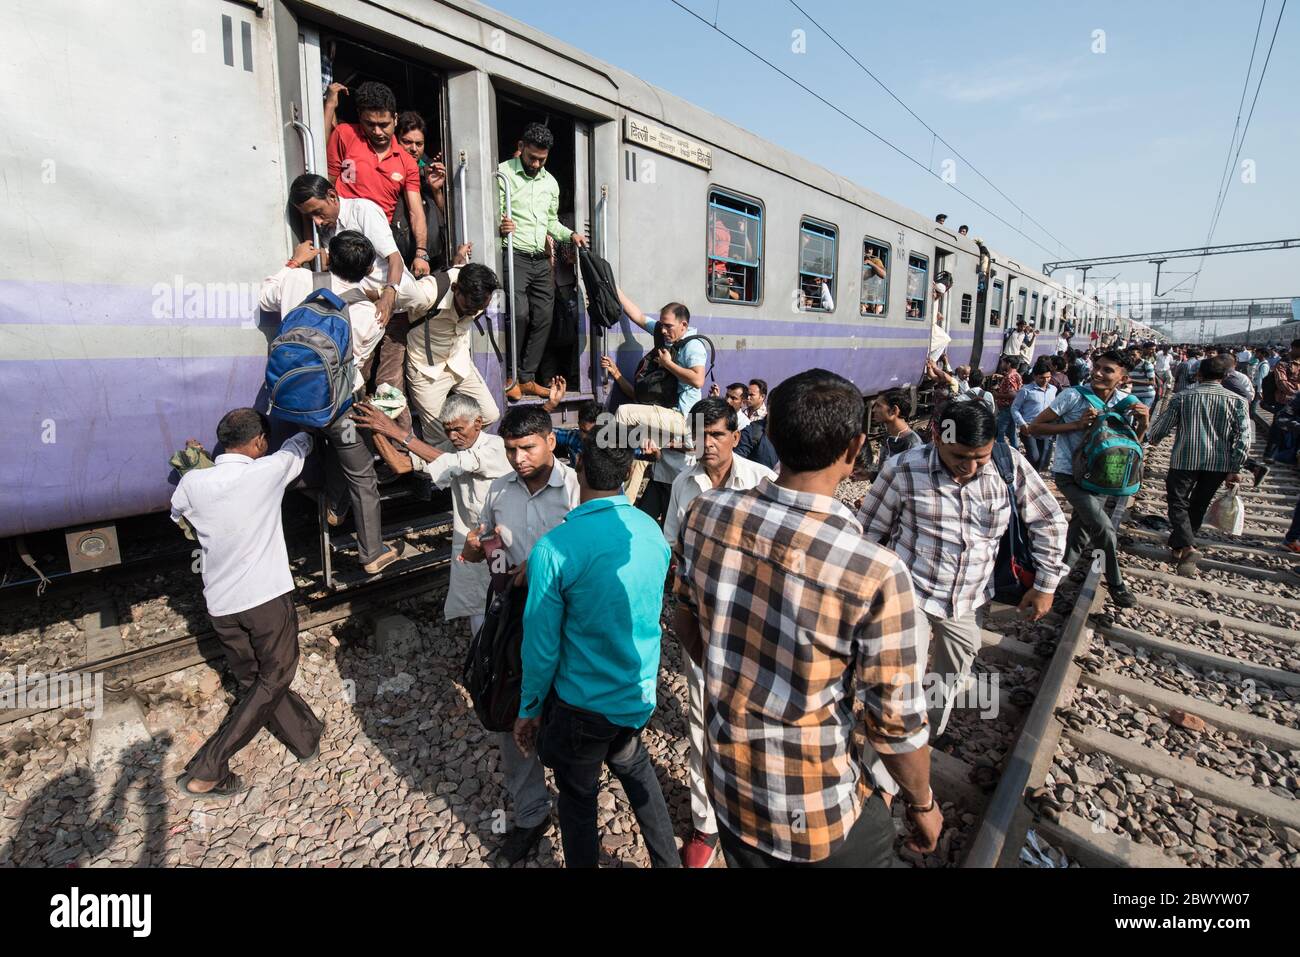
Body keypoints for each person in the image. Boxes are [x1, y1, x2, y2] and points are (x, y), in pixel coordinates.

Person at [674, 369, 941, 867]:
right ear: (857, 447)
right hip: (817, 817)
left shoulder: (704, 515)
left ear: (769, 435)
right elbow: (895, 725)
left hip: (730, 793)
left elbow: (684, 619)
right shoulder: (877, 572)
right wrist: (923, 803)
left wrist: (736, 677)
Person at [513, 437, 679, 869]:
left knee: (579, 796)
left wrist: (529, 707)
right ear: (628, 473)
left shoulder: (554, 548)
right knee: (634, 764)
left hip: (582, 705)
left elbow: (542, 645)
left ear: (579, 465)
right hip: (636, 693)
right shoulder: (650, 530)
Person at [859, 401, 1066, 736]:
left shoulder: (1008, 464)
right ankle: (888, 757)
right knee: (899, 682)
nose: (970, 466)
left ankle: (928, 736)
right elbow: (867, 532)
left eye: (979, 457)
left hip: (970, 601)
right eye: (960, 457)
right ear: (939, 439)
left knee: (949, 680)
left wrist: (1046, 585)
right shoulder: (903, 470)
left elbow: (1049, 521)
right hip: (911, 597)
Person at [170, 410, 323, 798]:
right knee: (276, 677)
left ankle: (305, 737)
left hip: (221, 603)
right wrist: (308, 426)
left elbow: (179, 515)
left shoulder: (191, 483)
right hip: (265, 599)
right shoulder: (267, 471)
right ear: (258, 442)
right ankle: (210, 767)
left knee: (255, 680)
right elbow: (299, 446)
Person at [459, 406, 581, 865]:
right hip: (513, 619)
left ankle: (576, 800)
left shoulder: (574, 488)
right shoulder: (498, 490)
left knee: (565, 709)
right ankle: (531, 813)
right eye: (510, 449)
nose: (518, 457)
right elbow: (486, 547)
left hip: (568, 617)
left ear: (550, 441)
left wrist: (544, 568)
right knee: (512, 709)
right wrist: (476, 548)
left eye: (527, 446)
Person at [660, 397, 775, 867]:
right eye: (700, 435)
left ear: (734, 436)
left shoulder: (762, 482)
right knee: (701, 719)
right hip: (705, 622)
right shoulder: (683, 485)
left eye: (716, 435)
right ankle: (706, 823)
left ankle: (757, 810)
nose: (706, 445)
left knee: (759, 721)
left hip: (757, 626)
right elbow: (671, 543)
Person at [258, 230, 398, 574]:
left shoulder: (296, 279)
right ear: (367, 271)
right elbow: (360, 357)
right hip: (338, 410)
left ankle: (334, 506)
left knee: (330, 445)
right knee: (361, 471)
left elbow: (265, 299)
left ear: (329, 257)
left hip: (291, 401)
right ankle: (372, 552)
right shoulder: (369, 310)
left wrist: (293, 261)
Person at [351, 394, 509, 627]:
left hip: (502, 545)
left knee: (509, 606)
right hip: (472, 546)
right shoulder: (449, 448)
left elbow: (453, 462)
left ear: (477, 423)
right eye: (448, 431)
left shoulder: (495, 447)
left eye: (458, 429)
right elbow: (401, 464)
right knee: (478, 612)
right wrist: (377, 428)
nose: (453, 436)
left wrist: (395, 430)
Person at [1027, 350, 1150, 608]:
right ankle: (1116, 583)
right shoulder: (1073, 396)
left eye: (1108, 370)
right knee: (1104, 529)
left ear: (1122, 377)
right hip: (1069, 474)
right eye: (1097, 367)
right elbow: (1035, 427)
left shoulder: (1126, 401)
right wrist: (1076, 425)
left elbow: (1131, 444)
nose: (1098, 373)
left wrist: (1143, 424)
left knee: (1079, 536)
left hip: (1101, 477)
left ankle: (1053, 584)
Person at [498, 123, 589, 399]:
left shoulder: (551, 183)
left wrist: (570, 234)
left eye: (542, 159)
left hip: (540, 259)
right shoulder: (502, 173)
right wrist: (500, 224)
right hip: (514, 253)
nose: (536, 163)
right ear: (521, 147)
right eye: (531, 158)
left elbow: (551, 222)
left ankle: (527, 377)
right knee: (520, 313)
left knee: (545, 318)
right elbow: (489, 210)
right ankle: (511, 376)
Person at [1146, 355, 1251, 573]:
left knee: (1178, 502)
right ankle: (1183, 545)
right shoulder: (1238, 401)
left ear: (1199, 374)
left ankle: (1186, 545)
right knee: (1199, 504)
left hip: (1184, 459)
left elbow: (1160, 429)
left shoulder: (1182, 397)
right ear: (1225, 376)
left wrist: (1151, 437)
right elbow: (1243, 438)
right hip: (1219, 464)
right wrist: (1236, 468)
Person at [602, 288, 708, 502]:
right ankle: (624, 503)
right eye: (662, 325)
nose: (664, 331)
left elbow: (698, 380)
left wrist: (668, 364)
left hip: (683, 419)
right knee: (641, 456)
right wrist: (614, 287)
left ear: (683, 325)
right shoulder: (665, 336)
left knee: (623, 412)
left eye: (669, 326)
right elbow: (639, 317)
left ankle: (609, 463)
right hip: (666, 416)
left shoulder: (693, 346)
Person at [326, 81, 428, 280]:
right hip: (340, 237)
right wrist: (330, 105)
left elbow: (416, 212)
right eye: (370, 124)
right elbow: (326, 185)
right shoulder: (345, 134)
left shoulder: (407, 162)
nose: (378, 131)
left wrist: (421, 253)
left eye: (384, 125)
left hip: (377, 242)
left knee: (408, 296)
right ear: (360, 118)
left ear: (395, 119)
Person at [289, 173, 414, 329]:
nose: (317, 221)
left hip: (395, 308)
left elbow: (394, 258)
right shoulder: (324, 228)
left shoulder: (362, 211)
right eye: (309, 217)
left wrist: (389, 293)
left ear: (332, 196)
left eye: (318, 212)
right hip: (363, 312)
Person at [403, 261, 502, 447]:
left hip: (459, 361)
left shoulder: (476, 289)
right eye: (469, 306)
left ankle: (463, 460)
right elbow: (392, 296)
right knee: (438, 436)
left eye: (480, 306)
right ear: (455, 289)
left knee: (490, 415)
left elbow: (459, 267)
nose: (474, 311)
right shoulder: (426, 293)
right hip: (426, 369)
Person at [393, 112, 450, 271]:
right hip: (399, 253)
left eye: (419, 144)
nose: (413, 149)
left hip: (433, 255)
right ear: (396, 140)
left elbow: (446, 214)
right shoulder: (388, 168)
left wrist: (436, 190)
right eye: (407, 142)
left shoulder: (431, 168)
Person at [1011, 358, 1059, 472]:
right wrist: (1022, 424)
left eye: (1048, 377)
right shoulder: (1026, 391)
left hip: (1046, 428)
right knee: (1034, 456)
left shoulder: (1053, 389)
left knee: (1042, 461)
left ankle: (1033, 479)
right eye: (1042, 378)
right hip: (1029, 428)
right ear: (1035, 376)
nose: (1045, 380)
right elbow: (1014, 408)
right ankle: (1020, 471)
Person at [871, 389, 924, 475]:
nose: (873, 410)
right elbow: (887, 474)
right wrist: (870, 475)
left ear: (894, 410)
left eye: (878, 406)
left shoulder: (912, 444)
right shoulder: (889, 435)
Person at [991, 356, 1023, 447]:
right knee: (1012, 433)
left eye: (1003, 363)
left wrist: (997, 395)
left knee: (1000, 433)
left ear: (1008, 364)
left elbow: (1013, 394)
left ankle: (1001, 452)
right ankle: (1015, 451)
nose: (1001, 365)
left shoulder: (1009, 377)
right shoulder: (1017, 375)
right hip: (1013, 407)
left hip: (1006, 408)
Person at [1128, 343, 1157, 410]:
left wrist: (1132, 381)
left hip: (1146, 395)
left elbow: (1152, 382)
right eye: (1129, 355)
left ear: (1140, 354)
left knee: (1141, 415)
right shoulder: (1128, 365)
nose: (1131, 357)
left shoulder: (1146, 364)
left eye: (1133, 355)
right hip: (1133, 395)